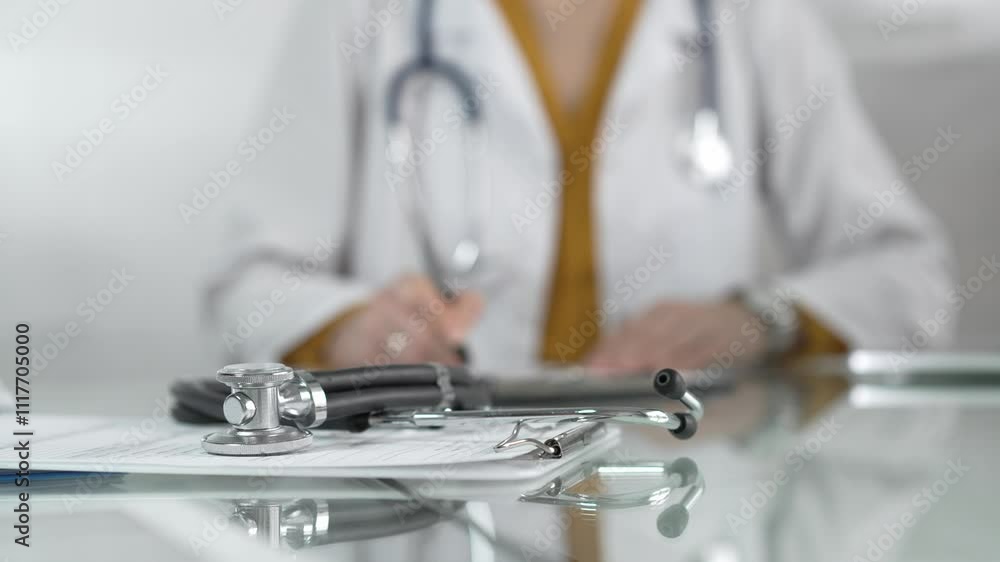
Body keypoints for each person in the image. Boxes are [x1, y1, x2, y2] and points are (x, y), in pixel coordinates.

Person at [207, 0, 954, 380]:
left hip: (683, 496)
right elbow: (248, 281)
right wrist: (348, 328)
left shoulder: (749, 18)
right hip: (429, 511)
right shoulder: (368, 15)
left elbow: (909, 275)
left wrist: (761, 319)